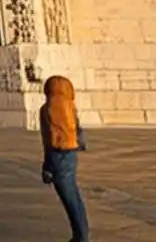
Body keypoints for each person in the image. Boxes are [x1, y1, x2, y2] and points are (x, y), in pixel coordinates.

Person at [40, 76, 90, 242]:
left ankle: (81, 238)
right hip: (70, 154)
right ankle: (81, 234)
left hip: (57, 155)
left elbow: (48, 140)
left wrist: (47, 166)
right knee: (74, 197)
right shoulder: (70, 107)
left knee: (69, 199)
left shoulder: (47, 109)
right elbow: (78, 131)